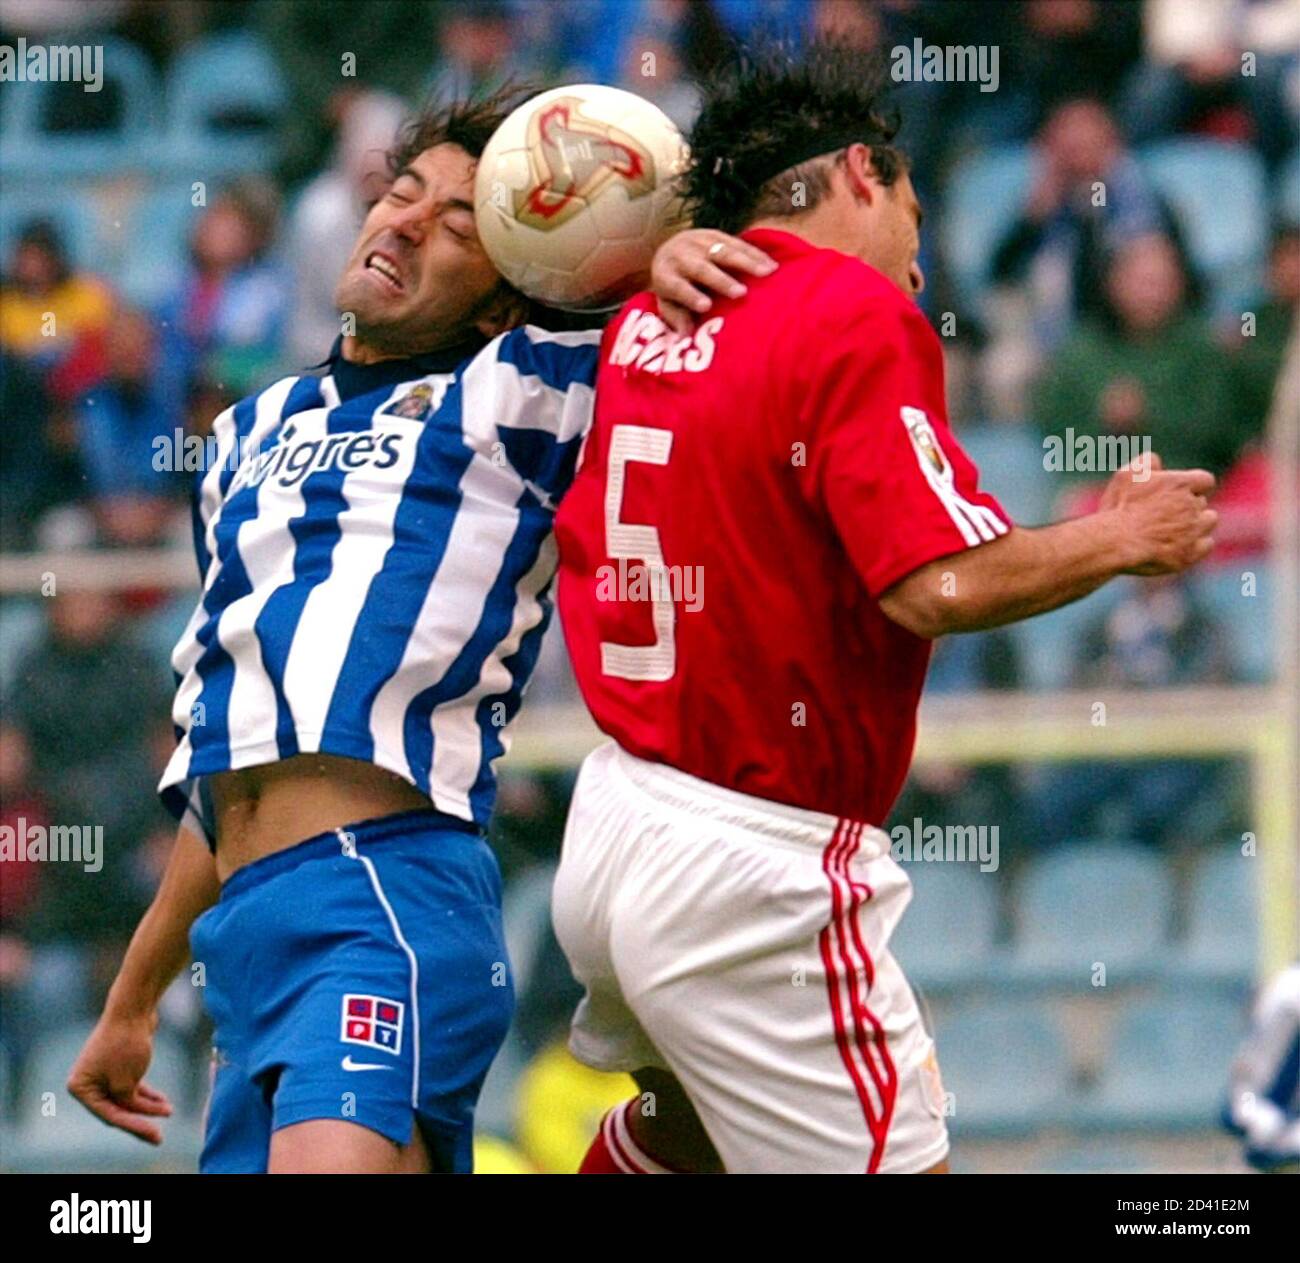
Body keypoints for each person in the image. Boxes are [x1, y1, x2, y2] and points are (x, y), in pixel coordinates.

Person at [66, 85, 766, 1175]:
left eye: (454, 226)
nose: (402, 222)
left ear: (502, 301)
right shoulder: (246, 435)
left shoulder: (521, 392)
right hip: (246, 941)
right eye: (400, 195)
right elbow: (235, 765)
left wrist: (669, 270)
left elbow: (741, 346)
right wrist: (132, 1000)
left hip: (383, 888)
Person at [551, 42, 1219, 1175]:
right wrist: (1121, 538)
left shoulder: (643, 320)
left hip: (614, 826)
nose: (918, 244)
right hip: (752, 860)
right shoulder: (847, 310)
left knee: (680, 1143)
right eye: (912, 200)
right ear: (863, 171)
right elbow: (931, 583)